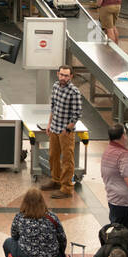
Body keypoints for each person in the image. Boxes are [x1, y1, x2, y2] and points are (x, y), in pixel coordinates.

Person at [2, 187, 66, 257]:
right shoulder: (52, 216)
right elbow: (62, 238)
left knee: (7, 242)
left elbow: (14, 236)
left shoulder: (20, 217)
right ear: (42, 201)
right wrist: (60, 253)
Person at [43, 66, 82, 199]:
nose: (63, 78)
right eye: (61, 75)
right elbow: (53, 107)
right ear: (57, 74)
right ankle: (56, 180)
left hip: (66, 132)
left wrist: (67, 129)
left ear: (71, 76)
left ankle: (66, 188)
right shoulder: (55, 86)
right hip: (54, 128)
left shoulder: (74, 92)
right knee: (53, 155)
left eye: (66, 75)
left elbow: (77, 114)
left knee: (67, 159)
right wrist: (49, 124)